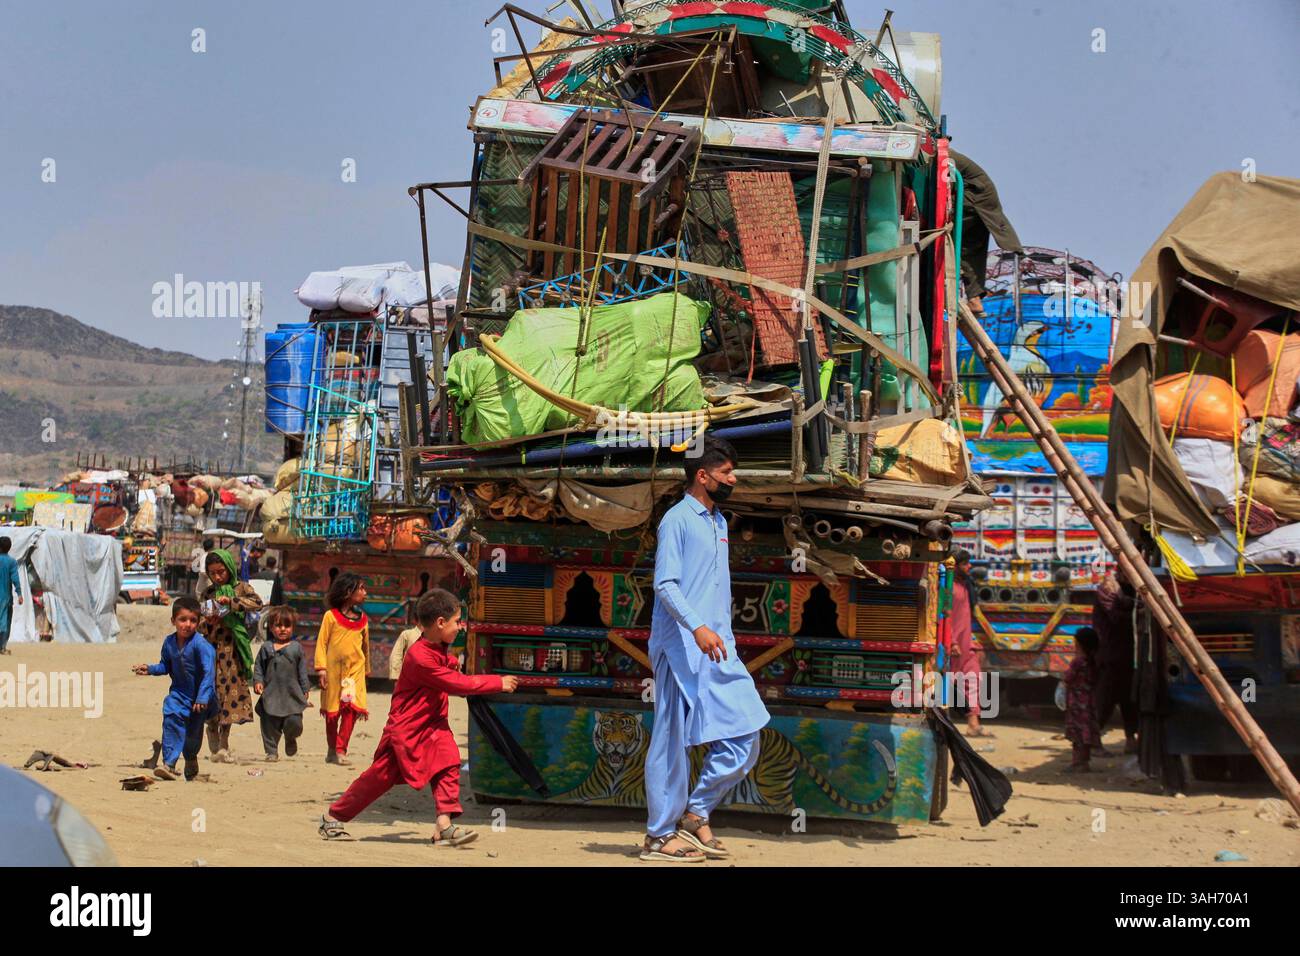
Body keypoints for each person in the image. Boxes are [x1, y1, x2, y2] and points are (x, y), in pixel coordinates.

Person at [641, 437, 770, 863]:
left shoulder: (719, 522)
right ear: (702, 476)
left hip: (718, 648)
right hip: (681, 645)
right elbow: (665, 584)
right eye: (726, 473)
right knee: (671, 739)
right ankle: (658, 837)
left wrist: (715, 632)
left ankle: (696, 813)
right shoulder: (677, 520)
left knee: (746, 732)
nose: (733, 480)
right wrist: (696, 626)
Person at [317, 588, 518, 844]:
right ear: (440, 623)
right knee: (379, 778)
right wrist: (497, 683)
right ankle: (333, 817)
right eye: (457, 621)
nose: (461, 626)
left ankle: (443, 826)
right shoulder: (420, 656)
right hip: (406, 730)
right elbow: (458, 684)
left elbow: (451, 670)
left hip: (433, 725)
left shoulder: (437, 646)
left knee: (449, 763)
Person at [133, 596, 215, 781]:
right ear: (173, 621)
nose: (188, 624)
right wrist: (151, 669)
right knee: (171, 720)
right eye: (183, 619)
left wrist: (202, 697)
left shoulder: (202, 646)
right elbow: (166, 666)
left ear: (199, 621)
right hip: (178, 694)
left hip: (199, 698)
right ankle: (168, 764)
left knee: (192, 737)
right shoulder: (169, 643)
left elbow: (209, 673)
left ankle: (191, 759)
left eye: (193, 620)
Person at [200, 548, 263, 762]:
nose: (218, 577)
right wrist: (209, 622)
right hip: (211, 651)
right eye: (213, 573)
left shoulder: (241, 587)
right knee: (211, 694)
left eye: (221, 572)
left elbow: (257, 602)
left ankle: (224, 742)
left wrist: (233, 602)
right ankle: (212, 730)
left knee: (229, 697)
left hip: (234, 651)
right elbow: (199, 622)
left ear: (229, 569)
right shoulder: (208, 594)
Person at [950, 150, 1023, 318]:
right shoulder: (945, 153)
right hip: (980, 199)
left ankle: (949, 288)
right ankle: (974, 300)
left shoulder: (939, 152)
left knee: (944, 236)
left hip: (976, 198)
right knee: (967, 250)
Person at [314, 572, 371, 765]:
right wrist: (321, 669)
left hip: (354, 674)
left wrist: (367, 670)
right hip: (333, 672)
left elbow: (366, 647)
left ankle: (341, 749)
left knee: (350, 710)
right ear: (348, 592)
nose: (365, 592)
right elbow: (322, 644)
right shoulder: (330, 617)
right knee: (332, 713)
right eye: (361, 588)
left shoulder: (363, 619)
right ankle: (331, 749)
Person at [253, 606, 312, 761]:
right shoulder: (266, 647)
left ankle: (290, 738)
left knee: (295, 722)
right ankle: (271, 751)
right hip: (271, 693)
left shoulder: (296, 648)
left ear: (293, 628)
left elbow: (302, 670)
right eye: (278, 625)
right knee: (268, 724)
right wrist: (258, 681)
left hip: (292, 694)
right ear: (271, 627)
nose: (283, 629)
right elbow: (259, 666)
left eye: (287, 626)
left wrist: (305, 688)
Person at [1093, 573, 1139, 755]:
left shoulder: (1128, 589)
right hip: (1110, 654)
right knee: (1105, 700)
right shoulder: (1109, 588)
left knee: (1128, 700)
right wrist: (1136, 611)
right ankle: (1093, 743)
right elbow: (1115, 616)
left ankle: (1130, 740)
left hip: (1125, 655)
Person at [948, 550, 990, 737]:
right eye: (965, 563)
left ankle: (974, 722)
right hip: (952, 645)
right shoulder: (947, 587)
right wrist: (952, 640)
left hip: (966, 644)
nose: (969, 566)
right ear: (955, 566)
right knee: (948, 684)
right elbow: (943, 616)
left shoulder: (966, 585)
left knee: (973, 680)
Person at [1063, 626, 1103, 772]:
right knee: (1086, 732)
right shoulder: (1093, 662)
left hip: (1077, 702)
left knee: (1077, 734)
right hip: (1089, 701)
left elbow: (1068, 677)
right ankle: (1084, 762)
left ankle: (1077, 763)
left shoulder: (1078, 662)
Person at [0, 536, 22, 655]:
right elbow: (15, 579)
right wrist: (19, 594)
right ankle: (2, 647)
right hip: (5, 597)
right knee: (5, 622)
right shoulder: (11, 562)